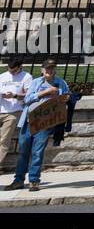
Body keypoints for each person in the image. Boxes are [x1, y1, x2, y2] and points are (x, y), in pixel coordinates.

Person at [6, 59, 69, 193]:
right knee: (23, 152)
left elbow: (66, 101)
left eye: (52, 68)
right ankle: (18, 181)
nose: (49, 71)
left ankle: (34, 181)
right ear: (42, 70)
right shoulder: (36, 82)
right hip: (28, 122)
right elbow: (27, 99)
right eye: (47, 68)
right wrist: (45, 93)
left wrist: (60, 95)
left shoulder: (61, 83)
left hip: (44, 124)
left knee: (37, 153)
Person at [0, 60, 32, 171]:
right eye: (10, 70)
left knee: (4, 140)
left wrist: (14, 95)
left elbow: (28, 95)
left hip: (13, 112)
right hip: (1, 108)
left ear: (20, 67)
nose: (12, 73)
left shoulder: (26, 77)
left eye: (14, 71)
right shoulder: (2, 76)